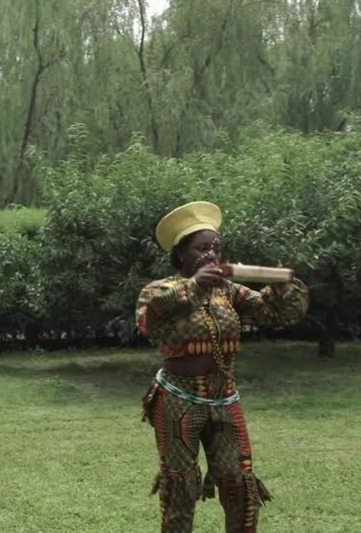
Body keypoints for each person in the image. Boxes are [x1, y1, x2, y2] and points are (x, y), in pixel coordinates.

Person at [135, 201, 308, 533]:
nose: (211, 253)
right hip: (176, 401)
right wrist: (195, 284)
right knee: (181, 486)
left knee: (240, 484)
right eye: (201, 248)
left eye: (216, 247)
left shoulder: (228, 291)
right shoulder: (160, 290)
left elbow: (277, 314)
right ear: (182, 254)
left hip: (224, 400)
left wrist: (282, 290)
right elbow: (148, 318)